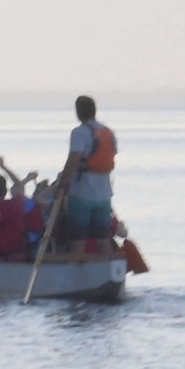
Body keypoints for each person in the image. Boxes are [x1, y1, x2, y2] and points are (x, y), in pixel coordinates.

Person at [57, 94, 117, 251]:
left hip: (82, 193)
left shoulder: (79, 132)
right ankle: (107, 272)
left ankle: (77, 271)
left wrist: (62, 184)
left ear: (78, 112)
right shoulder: (108, 132)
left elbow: (73, 161)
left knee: (78, 239)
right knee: (103, 238)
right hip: (104, 194)